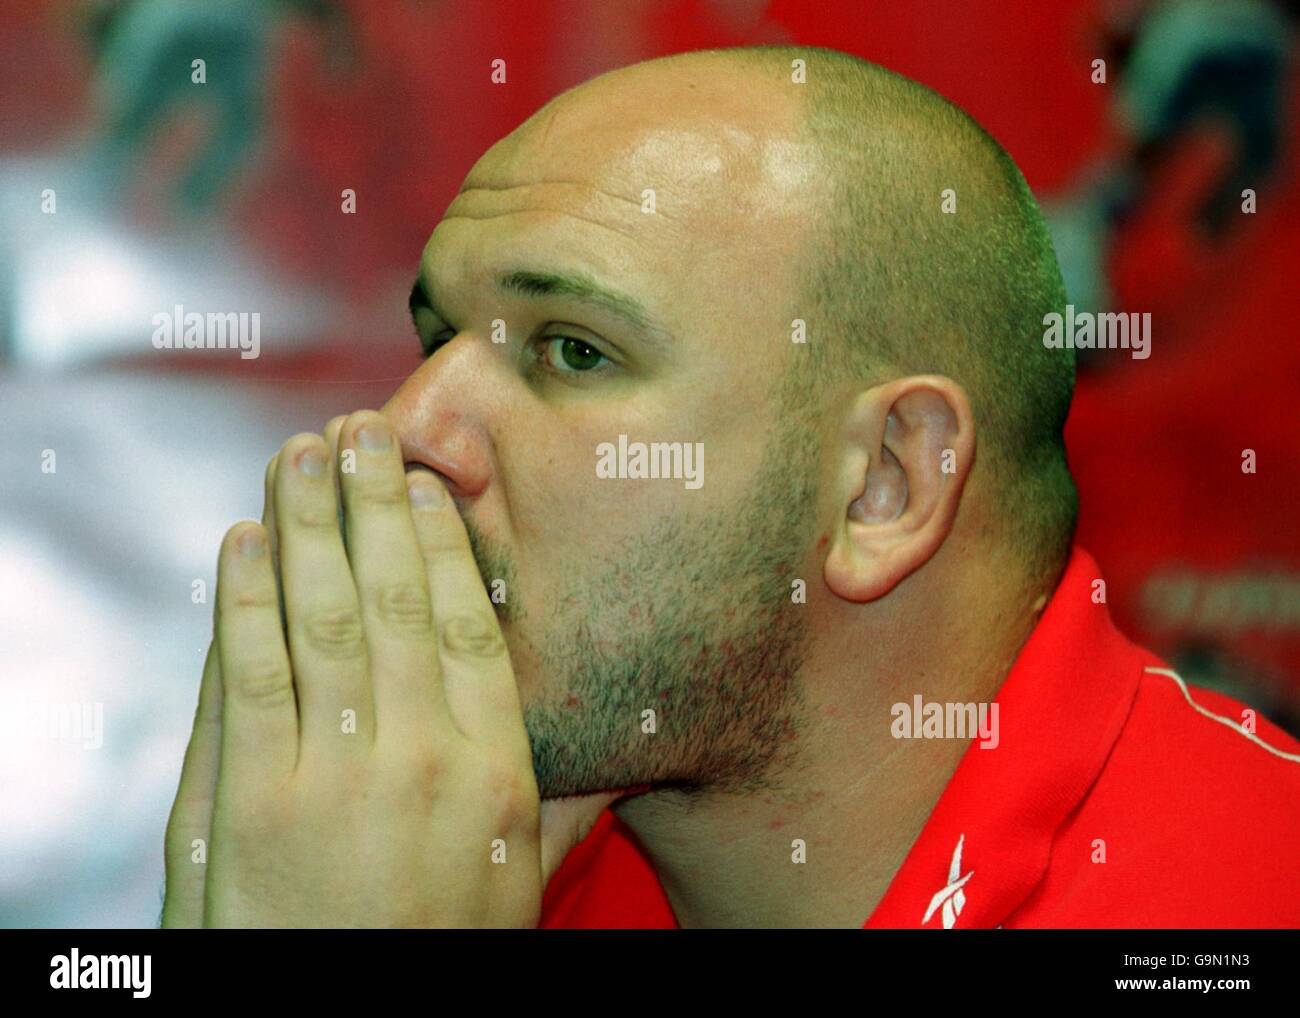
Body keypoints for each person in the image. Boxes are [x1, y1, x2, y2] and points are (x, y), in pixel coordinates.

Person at [162, 44, 1300, 929]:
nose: (407, 433)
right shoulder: (448, 885)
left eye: (570, 350)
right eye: (437, 341)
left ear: (885, 487)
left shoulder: (1245, 889)